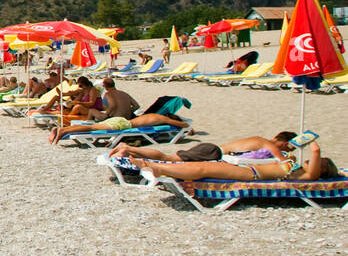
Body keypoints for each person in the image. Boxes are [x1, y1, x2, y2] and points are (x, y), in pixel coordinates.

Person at [131, 141, 335, 183]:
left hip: (252, 174)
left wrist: (311, 141)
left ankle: (157, 168)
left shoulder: (308, 175)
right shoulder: (294, 166)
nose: (310, 159)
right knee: (204, 167)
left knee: (203, 168)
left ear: (322, 168)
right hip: (245, 168)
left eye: (318, 162)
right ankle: (160, 169)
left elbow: (316, 151)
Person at [110, 132, 297, 164]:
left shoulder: (259, 139)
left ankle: (130, 149)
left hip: (212, 148)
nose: (287, 150)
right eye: (288, 146)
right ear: (283, 141)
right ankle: (128, 148)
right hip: (212, 153)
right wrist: (290, 158)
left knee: (169, 157)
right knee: (167, 158)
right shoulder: (271, 145)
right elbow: (282, 162)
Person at [48, 111, 187, 145]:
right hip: (124, 125)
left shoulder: (154, 115)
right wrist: (188, 128)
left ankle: (63, 129)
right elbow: (183, 125)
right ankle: (63, 130)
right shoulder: (163, 119)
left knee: (92, 126)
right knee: (92, 128)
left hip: (122, 119)